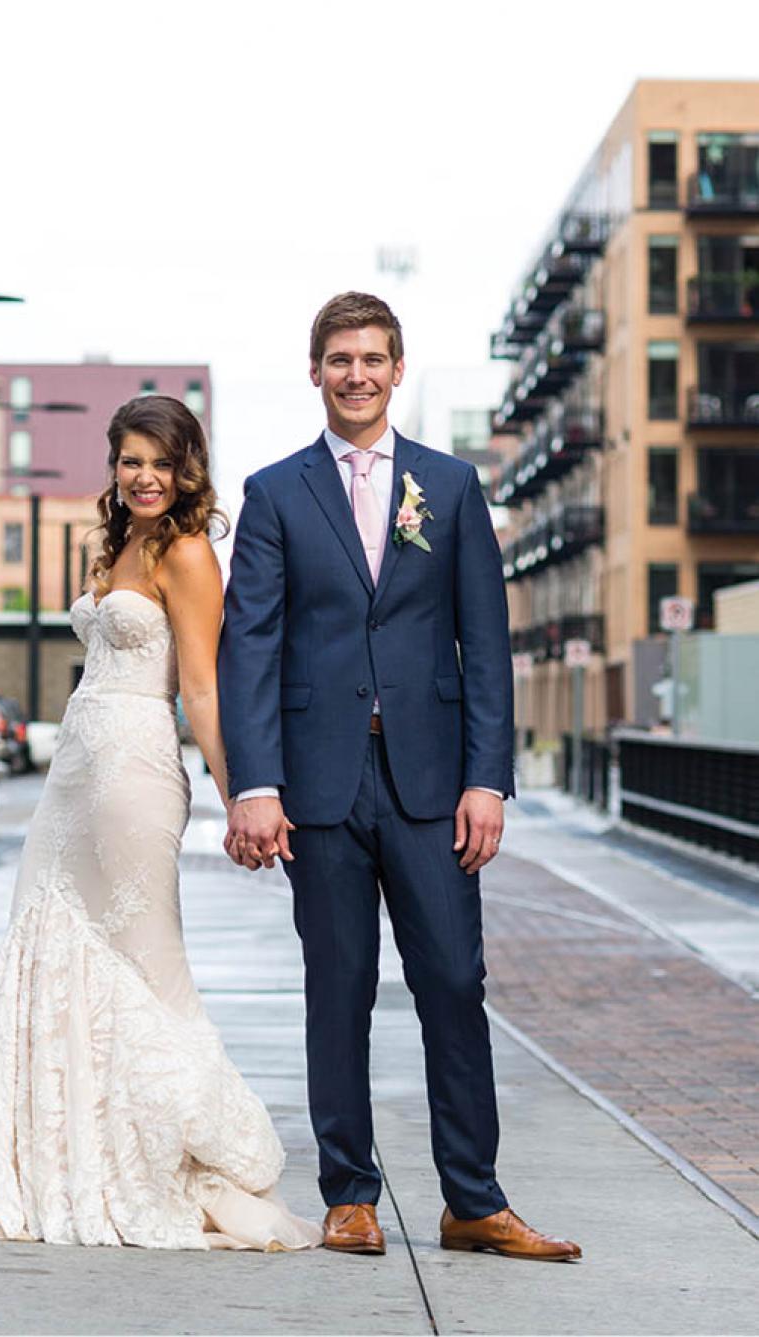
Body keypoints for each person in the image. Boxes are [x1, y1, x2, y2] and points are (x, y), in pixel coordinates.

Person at [218, 292, 581, 1262]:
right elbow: (247, 645)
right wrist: (256, 783)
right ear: (316, 371)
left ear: (397, 367)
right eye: (340, 358)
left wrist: (488, 780)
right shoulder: (275, 491)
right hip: (319, 785)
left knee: (455, 982)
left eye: (374, 357)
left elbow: (487, 645)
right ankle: (350, 1193)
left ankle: (474, 1197)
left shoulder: (452, 488)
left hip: (431, 782)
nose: (357, 373)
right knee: (337, 985)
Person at [0, 395, 320, 1253]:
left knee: (143, 969)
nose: (144, 477)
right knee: (48, 945)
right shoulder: (113, 543)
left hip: (135, 771)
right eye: (129, 461)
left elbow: (202, 688)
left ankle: (181, 1150)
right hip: (74, 770)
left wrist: (245, 796)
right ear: (113, 466)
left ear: (186, 468)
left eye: (161, 462)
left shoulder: (189, 553)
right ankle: (56, 1164)